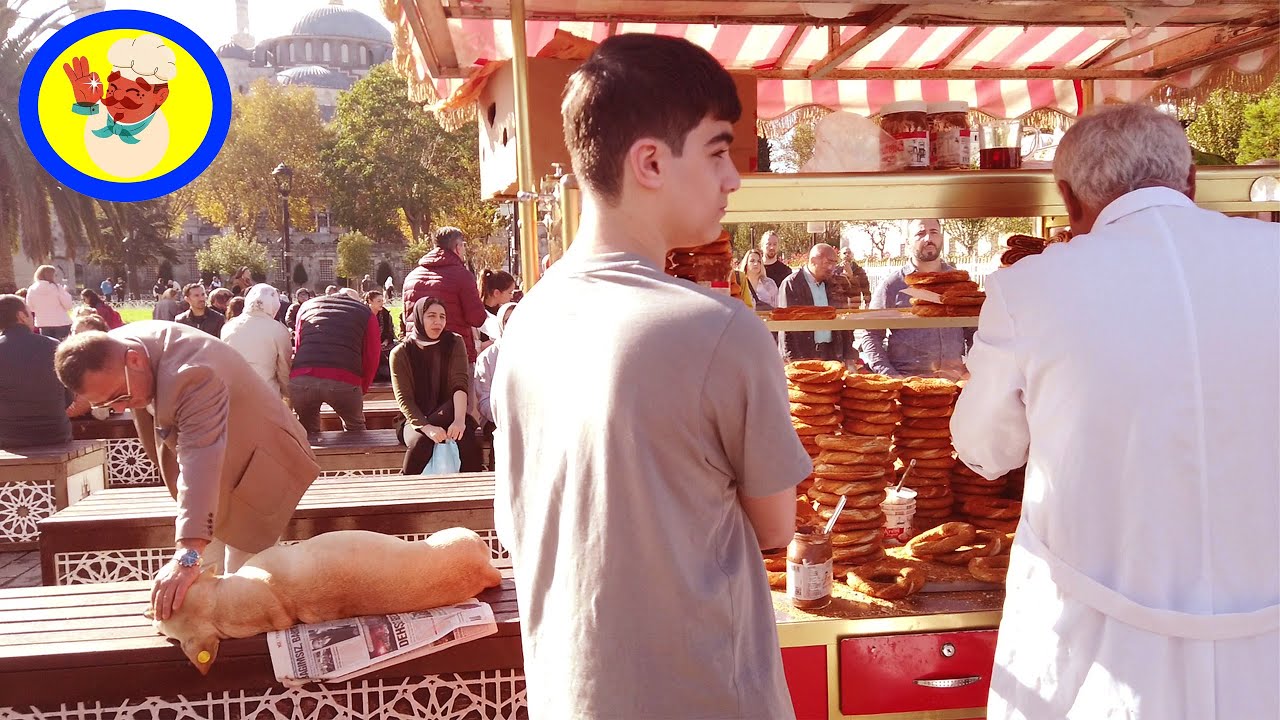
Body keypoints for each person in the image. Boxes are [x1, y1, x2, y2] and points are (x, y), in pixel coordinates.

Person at [492, 34, 806, 719]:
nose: (732, 179)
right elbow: (777, 525)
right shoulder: (719, 332)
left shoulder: (526, 325)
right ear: (651, 162)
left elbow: (519, 530)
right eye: (719, 151)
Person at [951, 104, 1279, 720]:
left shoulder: (1030, 287)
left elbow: (985, 451)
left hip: (1100, 645)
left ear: (1068, 199)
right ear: (1190, 184)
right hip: (1265, 635)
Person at [54, 324, 319, 621]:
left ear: (134, 360)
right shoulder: (115, 350)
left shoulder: (193, 373)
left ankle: (249, 657)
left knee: (247, 582)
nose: (118, 408)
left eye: (120, 396)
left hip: (263, 461)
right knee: (202, 577)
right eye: (106, 404)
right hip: (217, 465)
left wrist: (188, 554)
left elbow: (200, 457)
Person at [856, 218, 969, 378]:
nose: (928, 239)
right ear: (908, 242)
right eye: (920, 233)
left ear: (941, 237)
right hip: (910, 386)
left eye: (934, 232)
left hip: (953, 384)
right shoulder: (893, 285)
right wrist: (891, 376)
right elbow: (871, 335)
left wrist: (971, 369)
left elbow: (976, 331)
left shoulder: (958, 283)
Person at [390, 298, 482, 474]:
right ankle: (407, 494)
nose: (437, 322)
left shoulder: (454, 342)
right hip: (415, 419)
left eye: (442, 317)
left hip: (451, 413)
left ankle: (472, 497)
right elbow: (404, 398)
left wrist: (459, 421)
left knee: (468, 443)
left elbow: (459, 384)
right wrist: (427, 428)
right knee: (421, 443)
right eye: (431, 316)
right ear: (418, 318)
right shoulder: (401, 353)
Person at [289, 287, 379, 433]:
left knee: (307, 432)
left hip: (302, 376)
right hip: (344, 377)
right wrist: (363, 386)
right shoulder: (365, 313)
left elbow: (299, 343)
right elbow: (372, 355)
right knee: (356, 431)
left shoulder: (306, 306)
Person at [402, 227, 488, 364]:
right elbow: (477, 318)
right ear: (458, 247)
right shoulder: (462, 276)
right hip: (454, 353)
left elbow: (406, 319)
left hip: (418, 353)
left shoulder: (412, 277)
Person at [0, 295, 73, 448]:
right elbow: (68, 396)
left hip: (8, 438)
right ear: (21, 316)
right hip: (55, 434)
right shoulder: (53, 346)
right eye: (29, 312)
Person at [777, 243, 852, 361]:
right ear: (813, 261)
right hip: (802, 355)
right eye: (828, 263)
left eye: (834, 263)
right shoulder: (792, 284)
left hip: (831, 353)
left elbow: (843, 321)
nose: (832, 268)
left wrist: (849, 357)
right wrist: (791, 360)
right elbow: (786, 328)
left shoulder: (834, 284)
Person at [222, 284, 291, 401]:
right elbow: (284, 367)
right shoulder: (278, 329)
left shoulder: (229, 326)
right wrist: (287, 393)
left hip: (234, 393)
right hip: (266, 392)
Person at [473, 301, 517, 428]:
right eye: (508, 321)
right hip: (496, 419)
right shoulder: (487, 358)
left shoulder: (532, 354)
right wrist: (504, 417)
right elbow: (484, 399)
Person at [26, 265, 76, 340]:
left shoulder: (31, 289)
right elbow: (68, 305)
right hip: (61, 322)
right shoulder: (57, 288)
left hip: (43, 323)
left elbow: (30, 307)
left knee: (48, 347)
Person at [477, 269, 516, 348]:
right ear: (496, 293)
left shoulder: (507, 311)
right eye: (510, 292)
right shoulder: (477, 313)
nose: (512, 296)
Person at [364, 289, 396, 382]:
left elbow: (389, 331)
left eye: (382, 301)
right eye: (379, 301)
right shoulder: (363, 313)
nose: (381, 303)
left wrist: (385, 341)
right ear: (370, 301)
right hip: (368, 346)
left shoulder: (385, 314)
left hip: (383, 345)